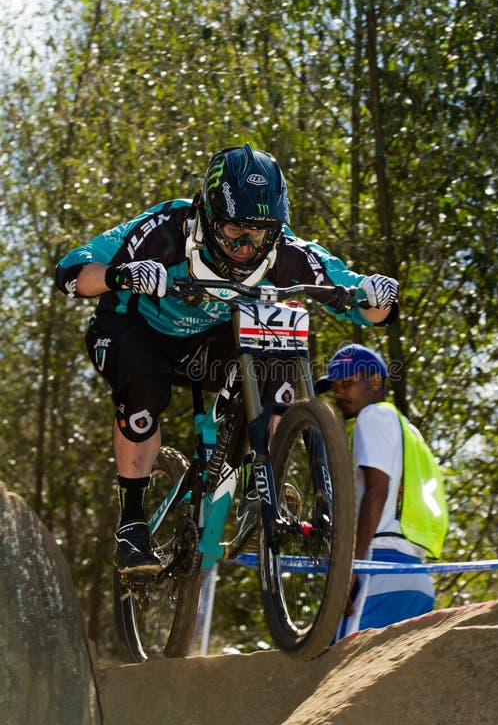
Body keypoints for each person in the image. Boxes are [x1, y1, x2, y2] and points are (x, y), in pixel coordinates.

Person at [55, 143, 399, 576]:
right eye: (235, 228)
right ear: (207, 212)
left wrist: (377, 296)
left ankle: (263, 486)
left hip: (204, 341)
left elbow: (356, 299)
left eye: (260, 232)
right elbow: (70, 270)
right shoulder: (166, 227)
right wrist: (121, 275)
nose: (246, 244)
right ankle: (133, 525)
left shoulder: (285, 252)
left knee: (277, 349)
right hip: (133, 326)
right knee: (146, 388)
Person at [315, 344, 448, 643]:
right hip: (415, 579)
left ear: (374, 382)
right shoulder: (406, 429)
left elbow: (376, 491)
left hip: (378, 569)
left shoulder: (373, 416)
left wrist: (352, 568)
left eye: (347, 383)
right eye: (334, 387)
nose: (339, 394)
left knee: (340, 677)